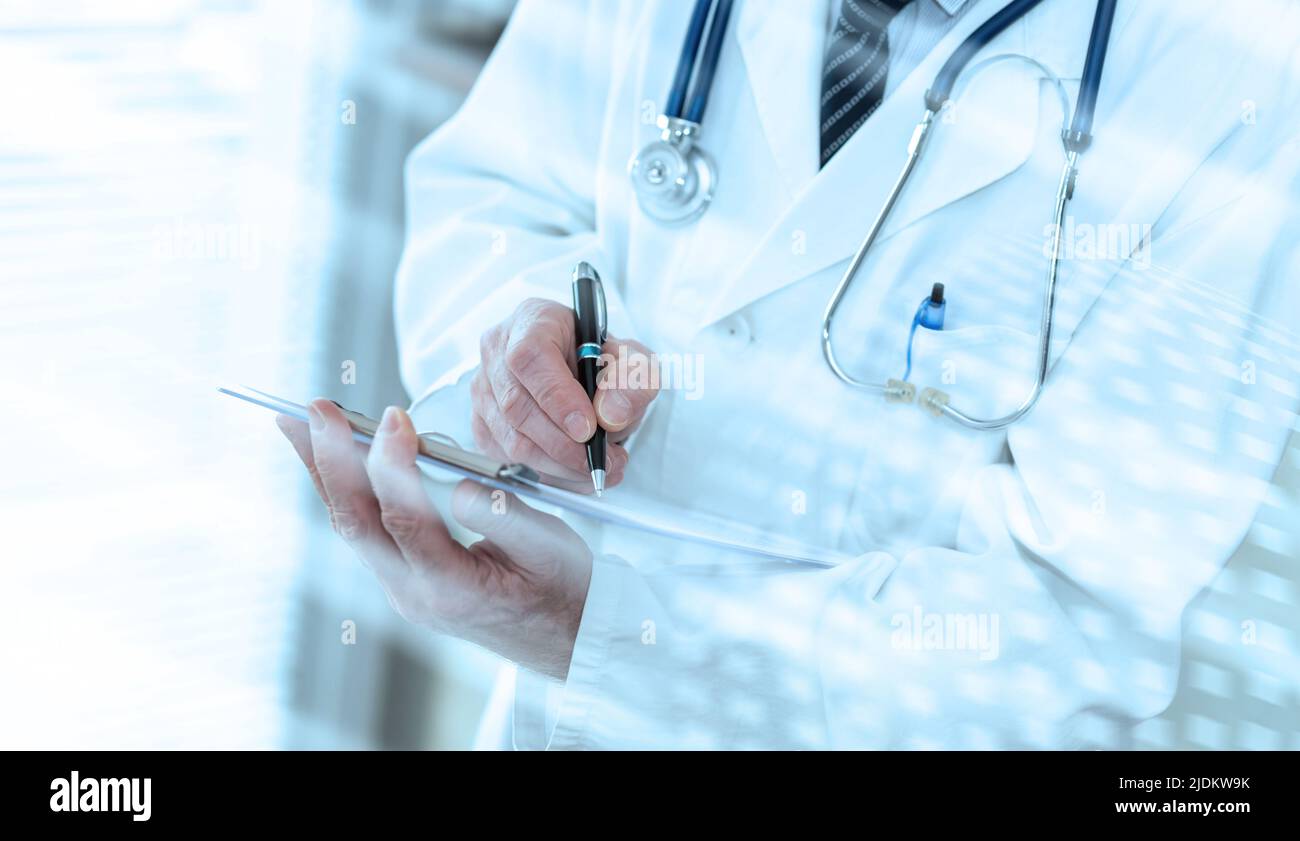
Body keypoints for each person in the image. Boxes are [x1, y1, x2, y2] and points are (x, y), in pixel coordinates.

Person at [277, 0, 1300, 748]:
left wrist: (607, 631)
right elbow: (494, 191)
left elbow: (1068, 631)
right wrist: (525, 358)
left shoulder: (1240, 72)